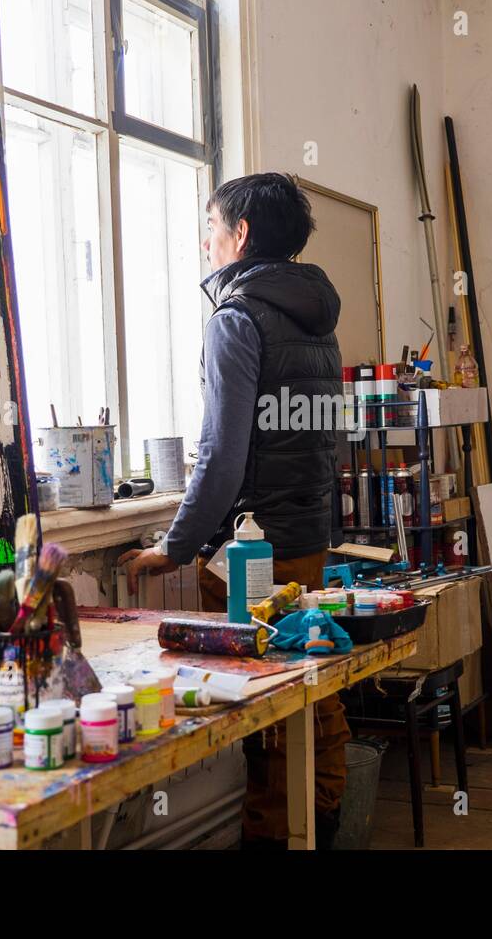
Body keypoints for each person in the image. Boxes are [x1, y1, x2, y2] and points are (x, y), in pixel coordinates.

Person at [117, 172, 349, 848]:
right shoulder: (317, 318)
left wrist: (177, 545)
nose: (205, 242)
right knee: (313, 688)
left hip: (251, 548)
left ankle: (275, 839)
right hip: (306, 532)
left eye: (212, 227)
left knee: (269, 706)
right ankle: (322, 826)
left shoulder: (236, 319)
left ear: (240, 234)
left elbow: (221, 453)